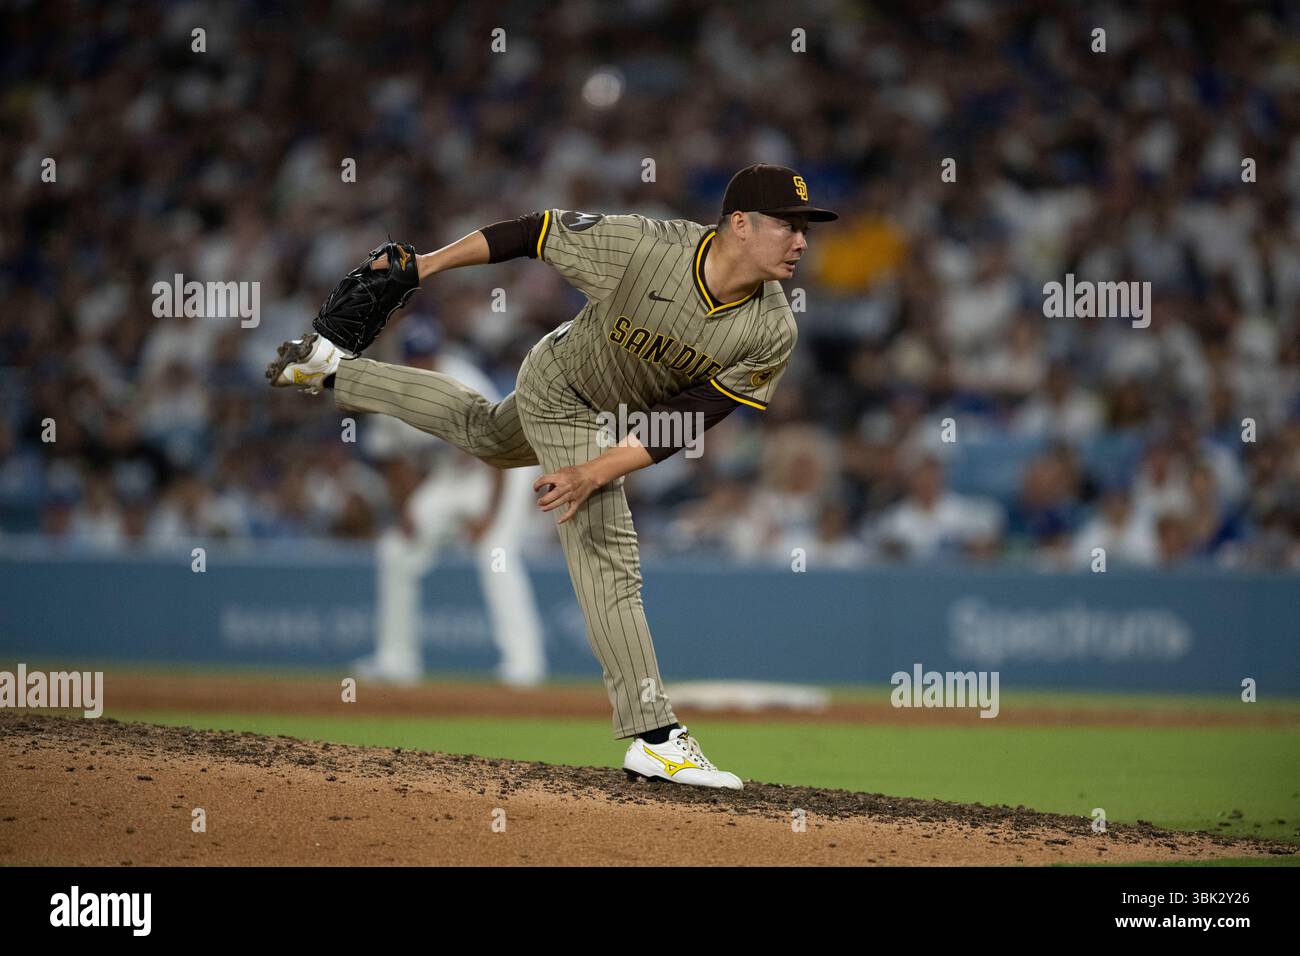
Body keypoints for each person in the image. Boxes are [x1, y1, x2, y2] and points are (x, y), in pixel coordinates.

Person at [268, 163, 837, 789]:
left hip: (609, 419)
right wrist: (426, 265)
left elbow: (689, 418)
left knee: (486, 433)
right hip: (564, 384)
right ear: (739, 223)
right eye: (789, 224)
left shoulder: (772, 327)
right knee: (606, 549)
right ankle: (655, 736)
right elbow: (533, 233)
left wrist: (597, 467)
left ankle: (326, 372)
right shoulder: (648, 247)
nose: (801, 240)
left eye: (804, 227)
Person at [356, 317, 546, 687]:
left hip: (503, 468)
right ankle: (396, 660)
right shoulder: (391, 390)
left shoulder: (465, 381)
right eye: (417, 358)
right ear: (407, 360)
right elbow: (390, 457)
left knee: (495, 552)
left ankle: (524, 665)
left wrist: (489, 516)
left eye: (430, 356)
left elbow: (501, 446)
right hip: (449, 478)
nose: (425, 364)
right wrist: (405, 509)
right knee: (396, 550)